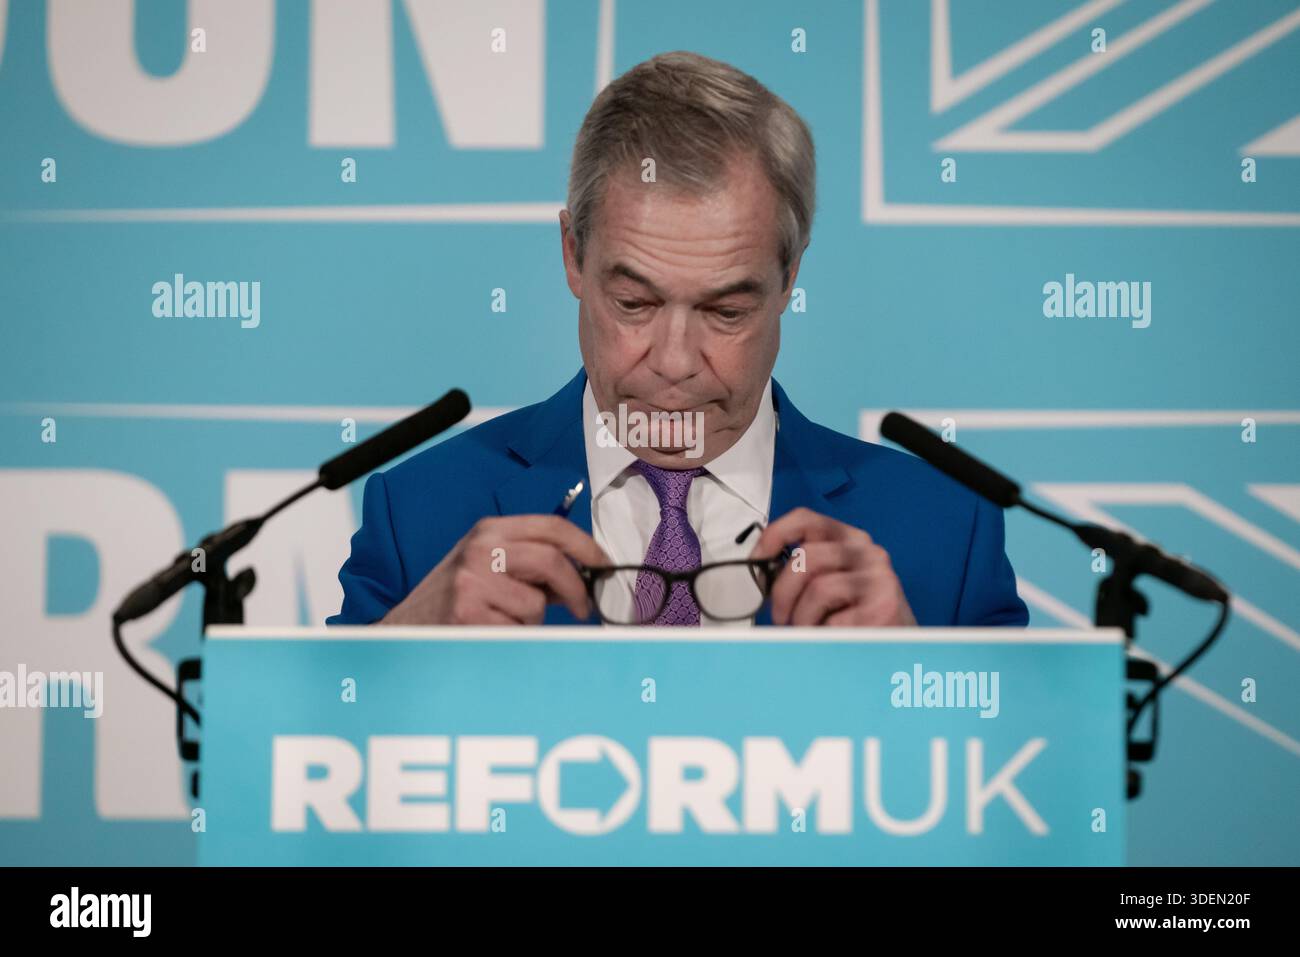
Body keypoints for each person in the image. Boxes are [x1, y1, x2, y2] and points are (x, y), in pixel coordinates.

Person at [328, 51, 1028, 629]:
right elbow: (302, 771)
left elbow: (1030, 788)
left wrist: (918, 678)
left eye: (725, 312)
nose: (672, 362)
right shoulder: (420, 514)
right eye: (634, 302)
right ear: (573, 254)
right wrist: (400, 658)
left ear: (790, 277)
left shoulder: (944, 534)